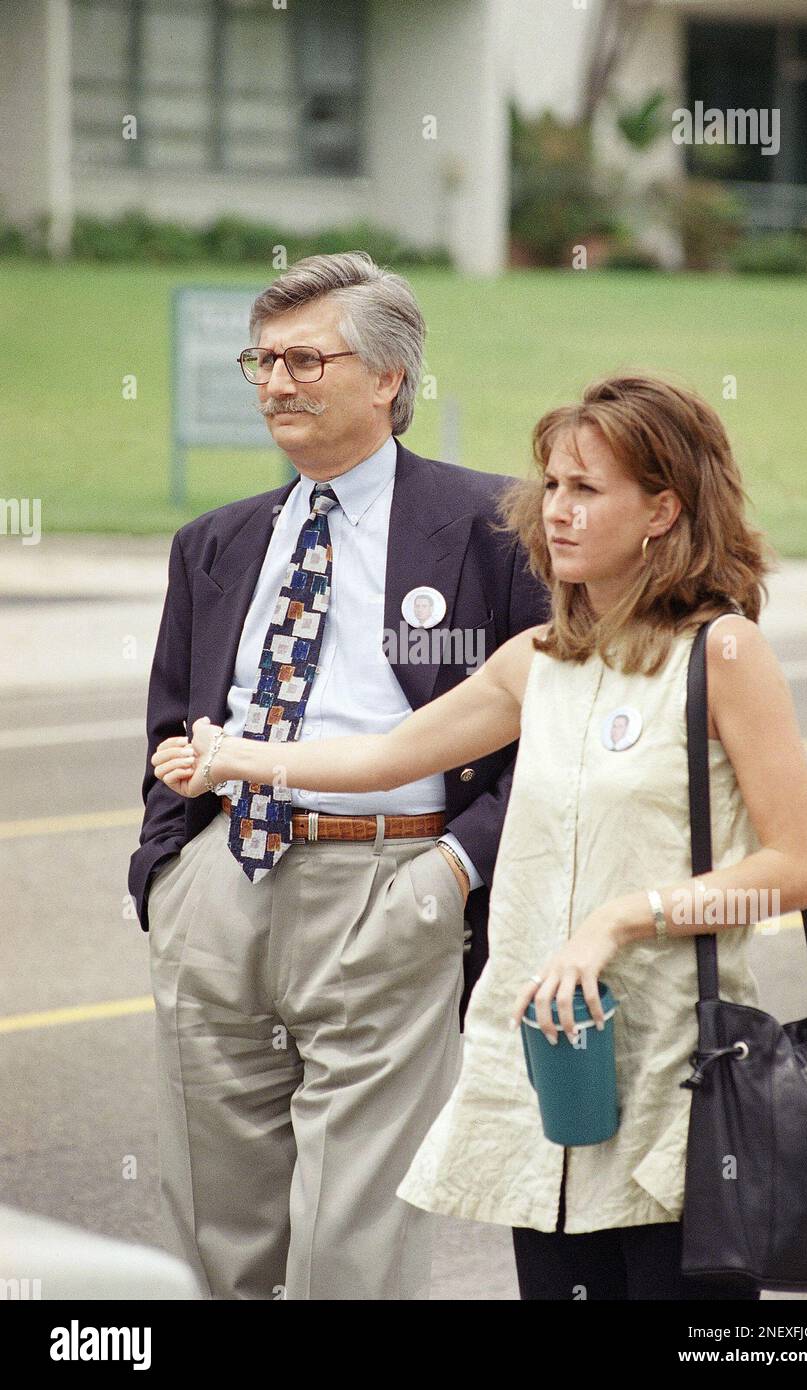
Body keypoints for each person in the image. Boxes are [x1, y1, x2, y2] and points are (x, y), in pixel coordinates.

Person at [153, 373, 807, 1302]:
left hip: (676, 1074)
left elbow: (796, 870)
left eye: (586, 490)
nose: (554, 511)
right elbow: (389, 757)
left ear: (662, 510)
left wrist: (624, 919)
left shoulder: (723, 655)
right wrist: (237, 757)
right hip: (545, 1071)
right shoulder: (538, 659)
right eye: (551, 484)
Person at [130, 251, 549, 1300]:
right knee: (219, 1229)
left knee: (350, 1242)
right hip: (223, 889)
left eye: (306, 359)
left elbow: (551, 731)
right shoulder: (213, 543)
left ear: (387, 381)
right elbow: (168, 726)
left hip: (391, 887)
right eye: (261, 360)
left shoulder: (496, 527)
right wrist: (166, 878)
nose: (276, 381)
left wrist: (454, 869)